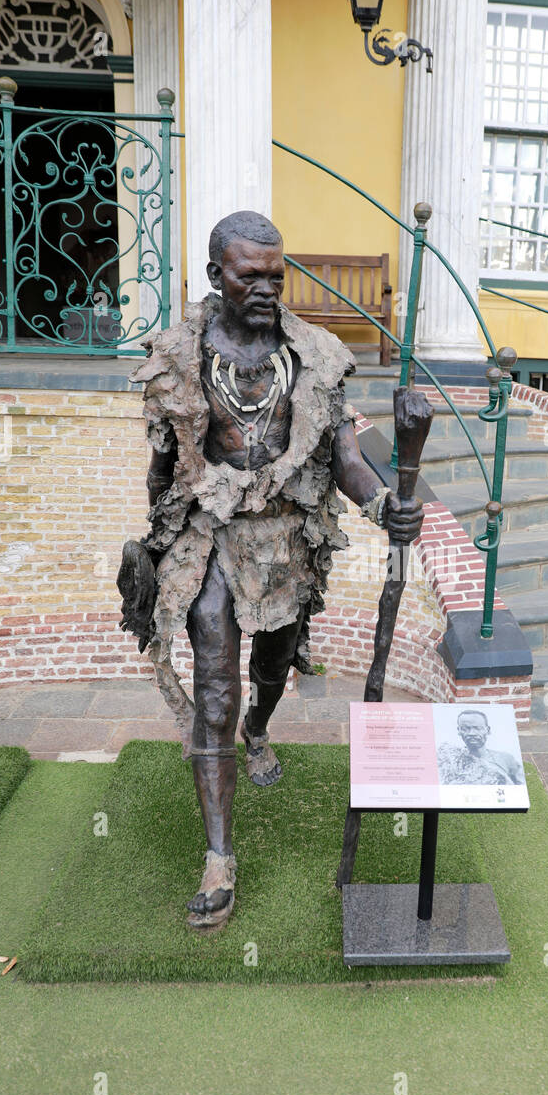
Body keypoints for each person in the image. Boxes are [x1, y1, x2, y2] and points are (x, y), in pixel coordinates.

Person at [122, 211, 423, 930]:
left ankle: (263, 726)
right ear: (215, 274)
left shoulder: (313, 357)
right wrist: (158, 543)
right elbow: (163, 471)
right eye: (247, 275)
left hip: (288, 540)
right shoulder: (178, 360)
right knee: (215, 692)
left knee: (271, 670)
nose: (264, 288)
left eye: (275, 276)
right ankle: (220, 856)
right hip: (211, 541)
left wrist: (383, 504)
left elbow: (342, 455)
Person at [437, 709, 524, 786]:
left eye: (477, 728)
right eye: (465, 728)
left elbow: (521, 787)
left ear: (488, 730)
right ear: (459, 731)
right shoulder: (450, 762)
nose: (471, 733)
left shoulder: (506, 759)